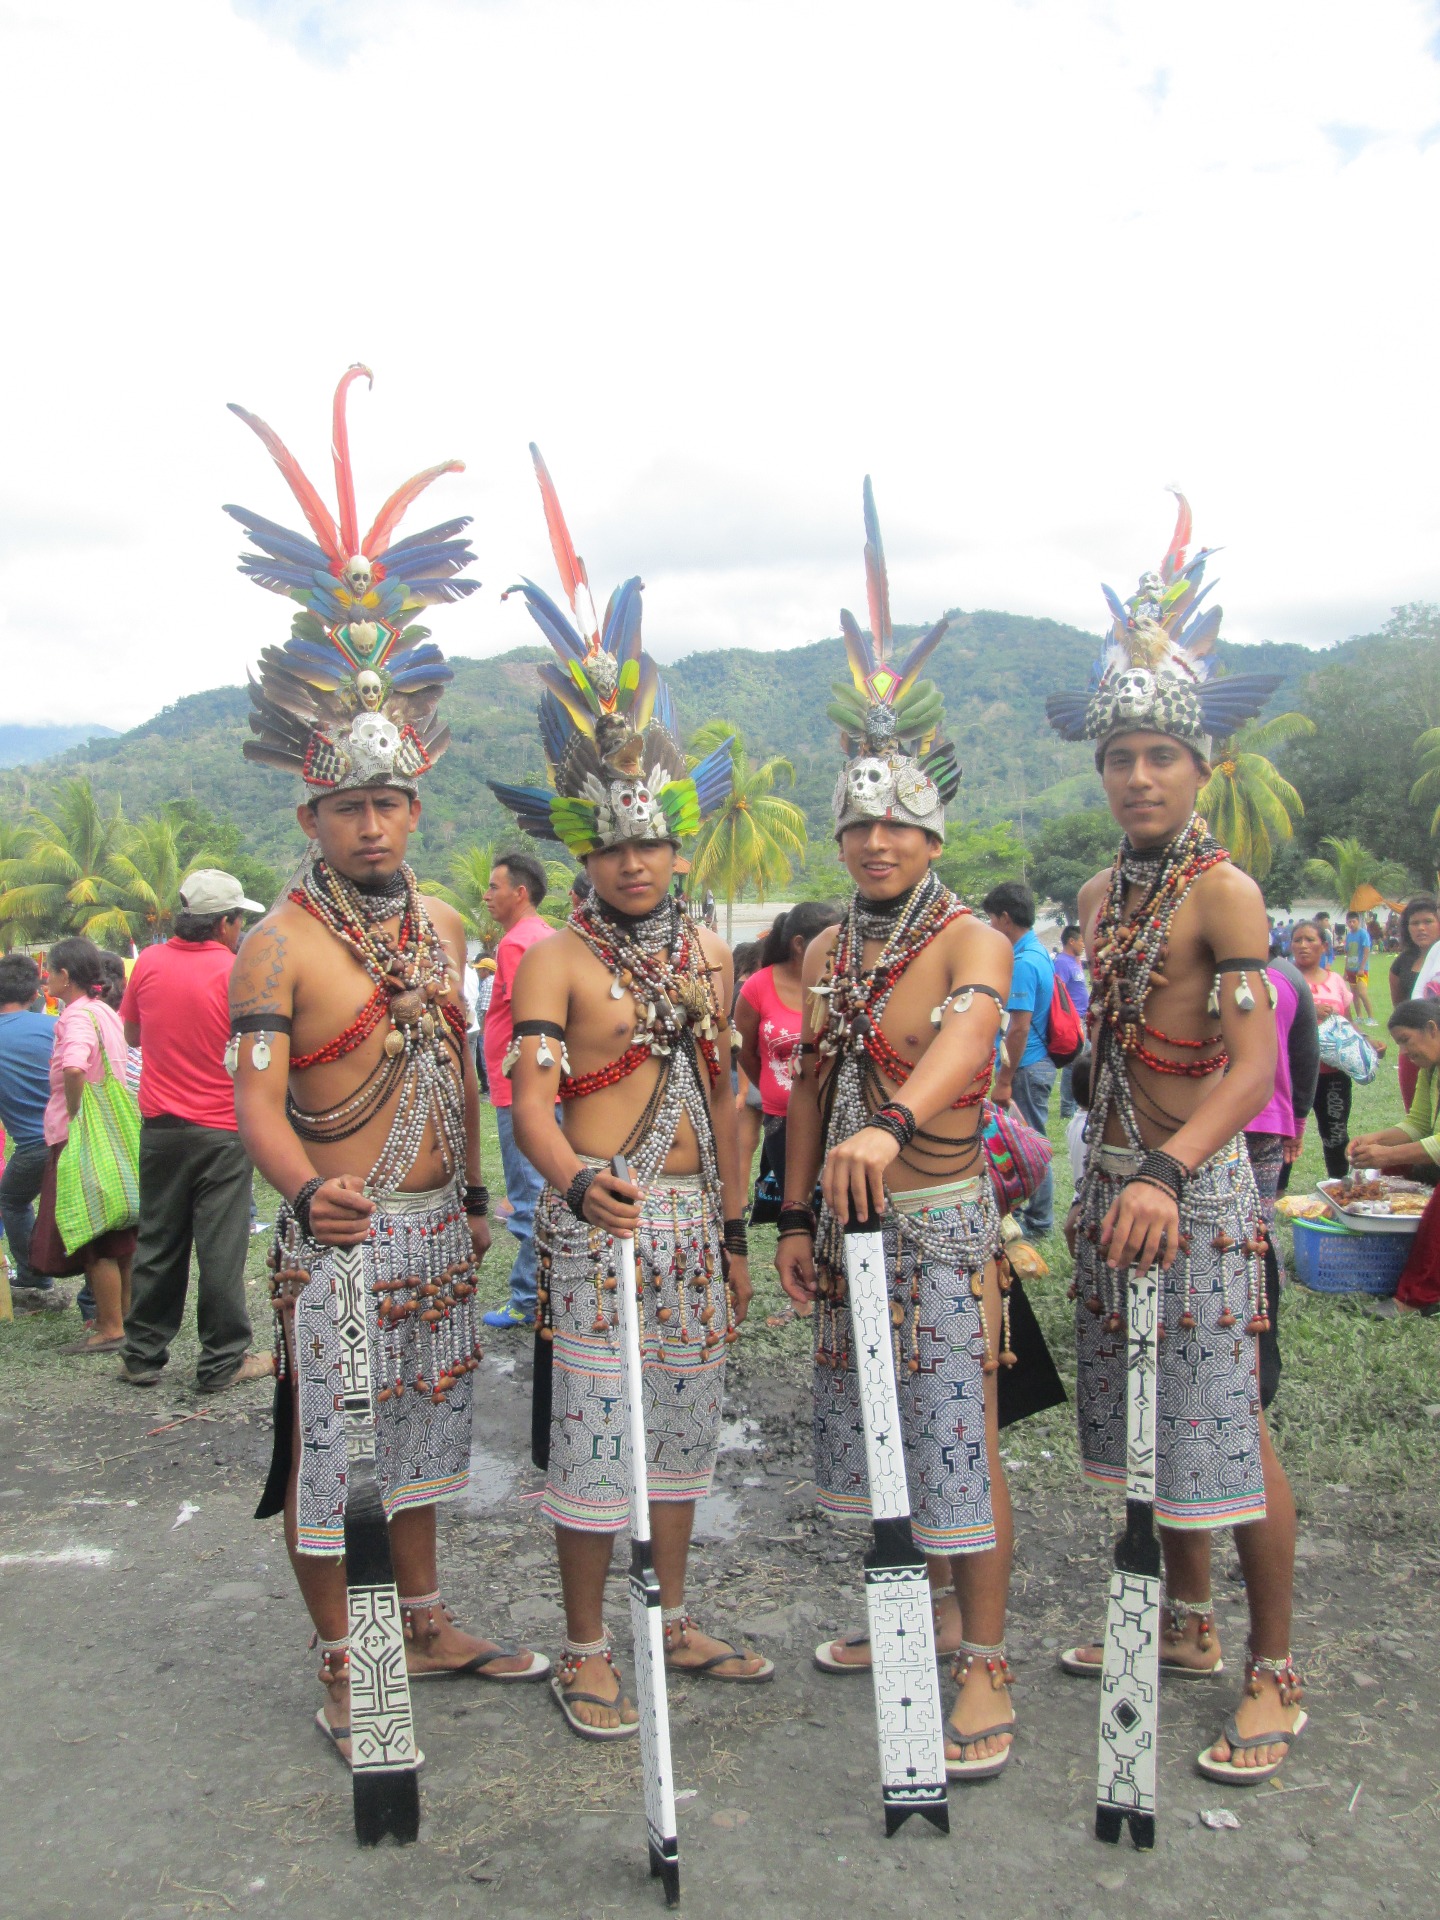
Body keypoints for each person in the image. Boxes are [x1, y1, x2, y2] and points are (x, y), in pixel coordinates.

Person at [225, 367, 545, 1770]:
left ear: (417, 800)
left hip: (431, 1234)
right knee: (330, 1459)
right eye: (349, 803)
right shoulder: (275, 948)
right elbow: (252, 1097)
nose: (373, 822)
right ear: (314, 805)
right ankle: (339, 1653)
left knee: (419, 1443)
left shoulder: (448, 921)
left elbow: (456, 1074)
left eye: (392, 800)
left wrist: (472, 1199)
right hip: (336, 1238)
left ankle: (418, 1619)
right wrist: (304, 1193)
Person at [491, 444, 768, 1739]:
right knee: (596, 1445)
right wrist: (573, 1183)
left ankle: (670, 1609)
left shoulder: (711, 952)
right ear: (586, 849)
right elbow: (537, 1105)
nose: (638, 858)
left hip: (684, 1228)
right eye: (615, 842)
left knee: (686, 1439)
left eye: (655, 839)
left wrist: (727, 1231)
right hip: (595, 1226)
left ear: (676, 842)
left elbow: (726, 1106)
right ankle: (592, 1641)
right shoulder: (554, 956)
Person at [1047, 492, 1306, 1784]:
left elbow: (1253, 1063)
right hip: (1116, 1190)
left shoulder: (1227, 891)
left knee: (1223, 1426)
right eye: (1121, 756)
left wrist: (1163, 1166)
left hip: (1190, 1198)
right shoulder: (1103, 895)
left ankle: (1276, 1670)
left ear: (1200, 767)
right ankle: (1188, 1627)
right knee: (1151, 1423)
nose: (1139, 775)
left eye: (1162, 755)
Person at [778, 477, 1018, 1780]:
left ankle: (982, 1654)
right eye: (857, 823)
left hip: (937, 1219)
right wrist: (799, 1205)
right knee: (878, 1432)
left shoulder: (970, 933)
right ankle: (910, 1604)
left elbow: (968, 1041)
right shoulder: (828, 946)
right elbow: (814, 1085)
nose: (875, 840)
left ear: (932, 833)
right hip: (851, 1225)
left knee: (956, 1434)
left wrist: (899, 1125)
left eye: (896, 823)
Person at [118, 870, 272, 1393]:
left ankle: (141, 1355)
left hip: (160, 1126)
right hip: (222, 1130)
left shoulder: (150, 963)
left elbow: (133, 1033)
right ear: (225, 922)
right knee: (220, 1248)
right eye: (239, 920)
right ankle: (221, 1360)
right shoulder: (237, 972)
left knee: (159, 1241)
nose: (240, 929)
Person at [30, 937, 139, 1353]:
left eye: (51, 971)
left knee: (96, 1237)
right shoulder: (105, 1012)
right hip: (116, 1132)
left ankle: (110, 1327)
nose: (46, 979)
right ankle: (126, 1319)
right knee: (121, 1233)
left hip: (81, 1136)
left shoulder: (74, 1017)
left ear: (64, 976)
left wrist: (75, 1112)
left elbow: (75, 1065)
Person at [480, 850, 556, 1331]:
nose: (487, 896)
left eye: (493, 887)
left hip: (517, 1086)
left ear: (519, 892)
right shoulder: (546, 937)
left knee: (528, 1195)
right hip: (543, 1083)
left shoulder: (515, 944)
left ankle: (528, 1299)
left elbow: (525, 1015)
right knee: (545, 1191)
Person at [1243, 956, 1319, 1409]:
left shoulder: (1268, 978)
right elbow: (1305, 1050)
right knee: (1259, 1227)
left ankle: (1256, 1355)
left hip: (1222, 1117)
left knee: (1243, 1234)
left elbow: (1304, 1048)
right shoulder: (1287, 975)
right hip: (1270, 1117)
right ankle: (1261, 1351)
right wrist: (1298, 1116)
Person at [736, 902, 843, 1204]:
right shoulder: (758, 987)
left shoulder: (842, 983)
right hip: (783, 1118)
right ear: (799, 945)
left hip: (838, 1115)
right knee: (798, 1206)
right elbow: (745, 1052)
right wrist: (776, 1087)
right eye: (831, 942)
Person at [1354, 998, 1440, 1314]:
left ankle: (1419, 1295)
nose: (1404, 1052)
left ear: (1431, 1029)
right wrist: (1375, 1140)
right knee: (1395, 1166)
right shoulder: (1430, 1069)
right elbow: (1417, 1124)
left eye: (1406, 1041)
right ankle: (1391, 1258)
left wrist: (1387, 1155)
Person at [983, 880, 1056, 1239]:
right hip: (1034, 1063)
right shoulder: (1037, 950)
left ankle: (1039, 1221)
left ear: (1006, 919)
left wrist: (1005, 1079)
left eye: (992, 920)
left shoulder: (1024, 962)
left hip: (1026, 1065)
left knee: (1030, 1144)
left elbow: (1018, 1028)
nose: (991, 928)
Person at [1291, 919, 1374, 1180]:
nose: (1303, 945)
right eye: (1298, 940)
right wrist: (1308, 1010)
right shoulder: (1282, 979)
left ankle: (1339, 1187)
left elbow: (1346, 1025)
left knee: (1335, 1134)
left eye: (1310, 940)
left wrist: (1367, 1044)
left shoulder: (1336, 982)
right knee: (1285, 1135)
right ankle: (1276, 1193)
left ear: (1324, 946)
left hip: (1333, 1076)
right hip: (1292, 1074)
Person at [0, 954, 60, 1306]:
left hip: (35, 1146)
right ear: (35, 990)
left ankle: (34, 1278)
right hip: (77, 1137)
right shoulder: (56, 1026)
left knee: (11, 1200)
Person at [1389, 895, 1440, 1108]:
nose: (1421, 928)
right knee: (1415, 1111)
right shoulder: (1402, 963)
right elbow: (1400, 1009)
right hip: (1414, 1043)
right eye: (1415, 923)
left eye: (1428, 921)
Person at [1054, 923, 1090, 1118]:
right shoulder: (1061, 962)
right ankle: (1068, 1108)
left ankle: (1080, 1102)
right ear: (1071, 941)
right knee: (1073, 1064)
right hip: (1073, 1021)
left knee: (1085, 1061)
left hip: (1084, 1019)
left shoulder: (1075, 961)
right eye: (1082, 941)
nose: (1084, 945)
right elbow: (1059, 991)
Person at [1342, 909, 1376, 1023]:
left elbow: (1367, 951)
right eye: (1349, 922)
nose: (1351, 924)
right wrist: (1345, 971)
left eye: (1353, 922)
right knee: (1354, 995)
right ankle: (1359, 1017)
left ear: (1358, 921)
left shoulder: (1363, 934)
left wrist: (1362, 967)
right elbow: (1347, 954)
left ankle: (1371, 1018)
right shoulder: (1349, 935)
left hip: (1361, 970)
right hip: (1351, 969)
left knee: (1362, 993)